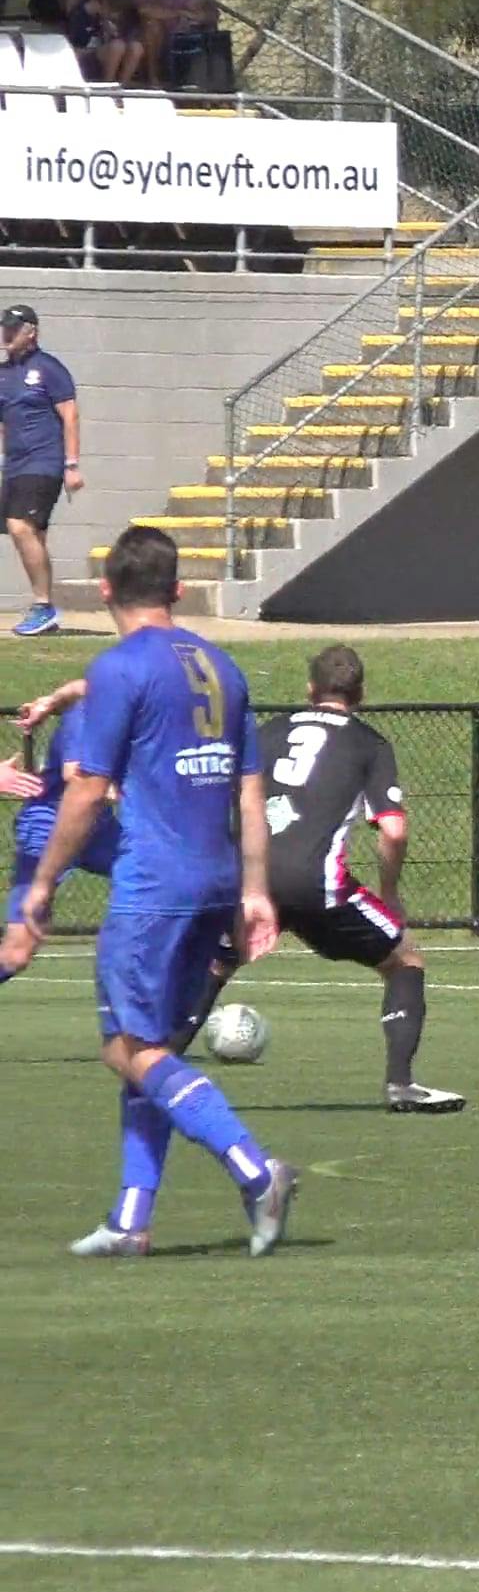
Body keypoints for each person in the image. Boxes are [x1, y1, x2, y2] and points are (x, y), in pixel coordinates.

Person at [0, 525, 297, 1257]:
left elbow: (87, 792)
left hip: (153, 884)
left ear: (105, 591)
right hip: (217, 878)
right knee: (154, 1045)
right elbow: (251, 790)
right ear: (176, 589)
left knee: (126, 1047)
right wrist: (255, 890)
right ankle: (133, 1219)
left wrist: (41, 885)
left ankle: (256, 1170)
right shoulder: (224, 666)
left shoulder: (118, 669)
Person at [252, 645, 465, 1110]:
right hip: (317, 886)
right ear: (361, 693)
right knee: (405, 959)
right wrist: (388, 892)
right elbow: (393, 828)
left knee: (215, 966)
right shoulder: (368, 742)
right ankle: (401, 1084)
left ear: (310, 689)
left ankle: (152, 1074)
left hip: (253, 880)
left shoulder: (268, 732)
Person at [0, 677, 118, 988]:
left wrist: (50, 702)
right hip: (48, 829)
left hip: (100, 829)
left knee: (172, 874)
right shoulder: (89, 714)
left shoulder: (127, 696)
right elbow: (79, 777)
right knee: (17, 951)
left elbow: (82, 685)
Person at [1, 304, 82, 637]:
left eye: (12, 329)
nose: (5, 334)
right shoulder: (3, 375)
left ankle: (43, 605)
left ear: (30, 332)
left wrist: (72, 464)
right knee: (33, 534)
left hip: (44, 461)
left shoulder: (49, 368)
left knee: (20, 526)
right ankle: (44, 609)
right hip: (15, 465)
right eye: (3, 328)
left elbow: (70, 416)